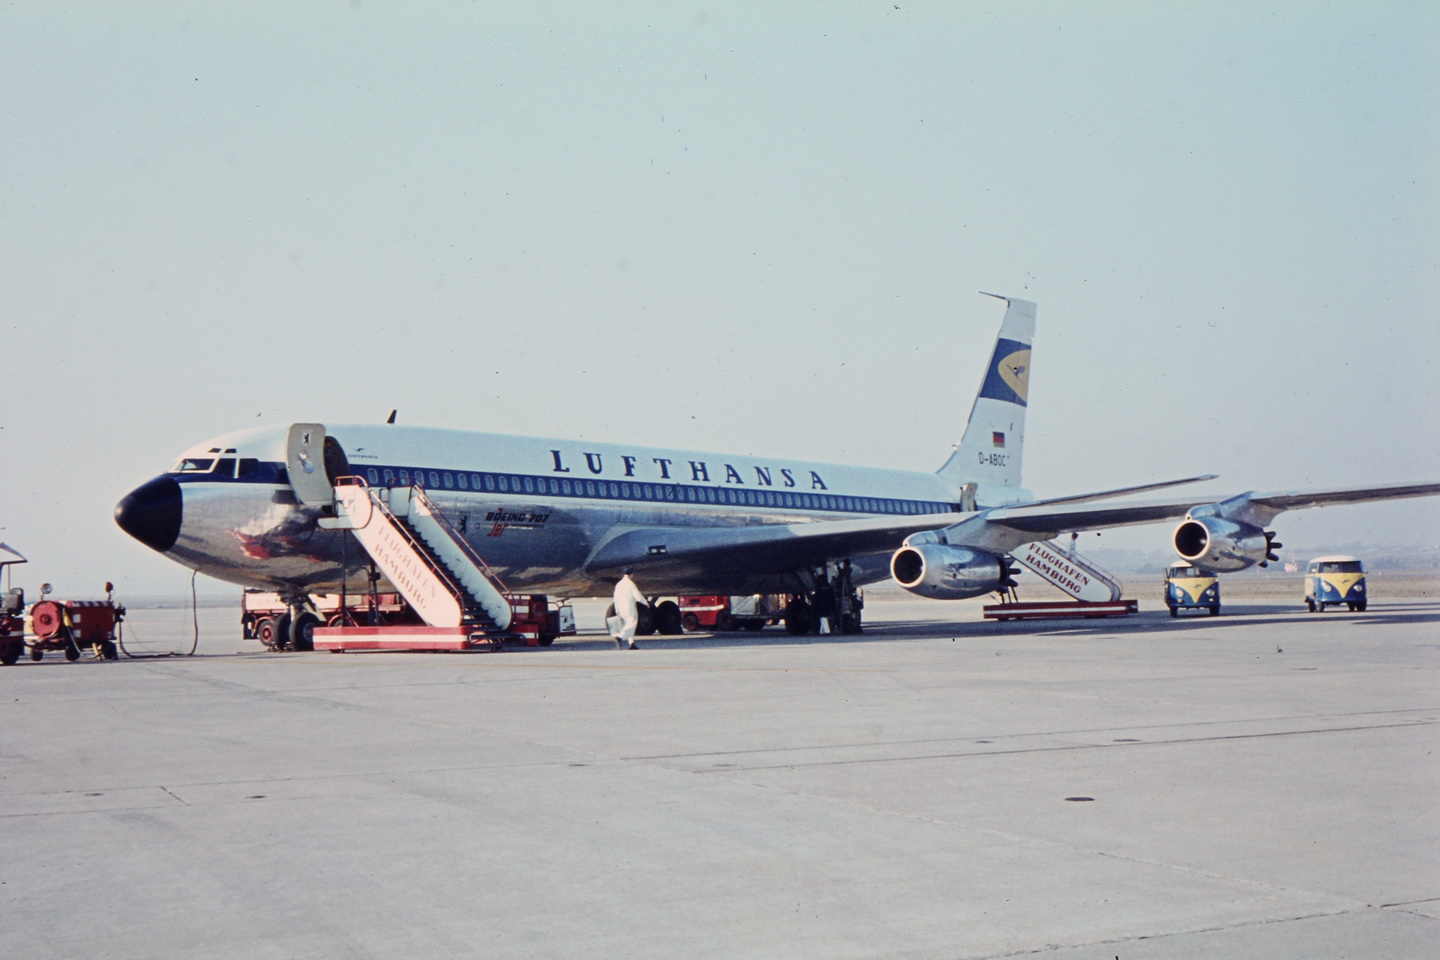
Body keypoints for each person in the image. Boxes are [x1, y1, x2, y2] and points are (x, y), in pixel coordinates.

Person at [611, 567, 646, 650]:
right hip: (629, 607)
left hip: (621, 607)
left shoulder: (619, 584)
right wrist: (645, 602)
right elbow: (637, 596)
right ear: (631, 574)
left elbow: (615, 597)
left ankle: (631, 643)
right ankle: (620, 637)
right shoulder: (631, 584)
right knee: (632, 624)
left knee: (627, 624)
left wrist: (616, 608)